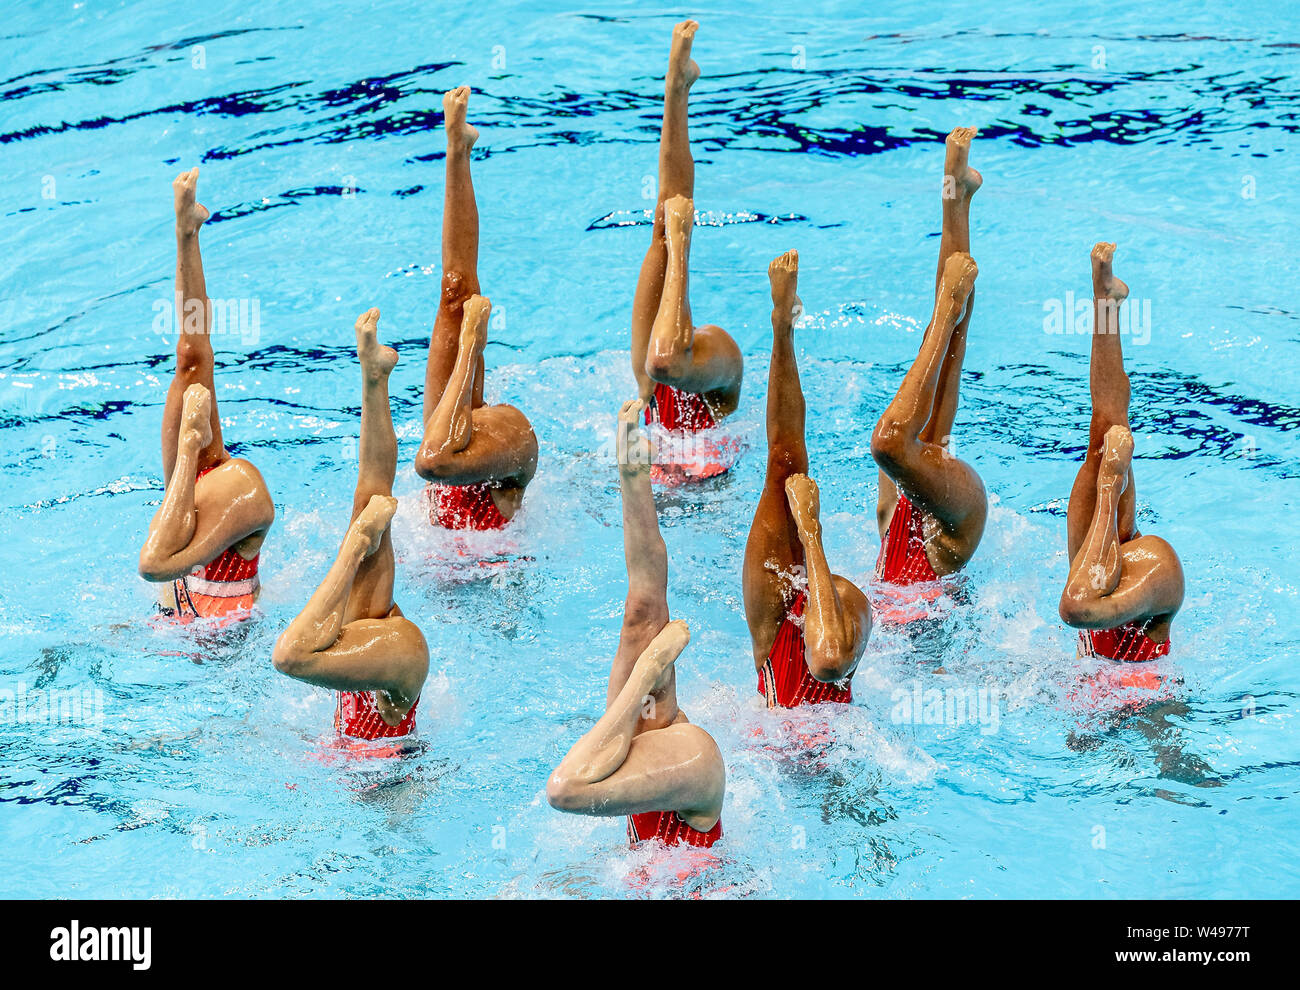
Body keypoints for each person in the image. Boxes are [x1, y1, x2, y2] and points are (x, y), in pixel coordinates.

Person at [546, 399, 724, 847]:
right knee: (638, 616)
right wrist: (633, 476)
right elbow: (645, 597)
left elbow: (564, 792)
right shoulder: (627, 746)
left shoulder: (696, 758)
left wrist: (645, 673)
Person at [273, 309, 429, 748]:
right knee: (367, 501)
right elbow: (373, 488)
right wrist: (372, 376)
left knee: (365, 519)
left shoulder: (402, 651)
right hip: (347, 774)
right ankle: (377, 374)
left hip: (389, 792)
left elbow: (289, 656)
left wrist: (357, 546)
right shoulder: (365, 624)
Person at [138, 167, 274, 620]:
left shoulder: (246, 493)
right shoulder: (195, 484)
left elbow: (154, 565)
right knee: (190, 360)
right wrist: (186, 236)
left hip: (216, 666)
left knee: (192, 365)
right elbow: (195, 351)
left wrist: (189, 447)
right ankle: (188, 231)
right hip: (168, 637)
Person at [742, 251, 872, 708]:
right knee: (783, 463)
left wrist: (811, 533)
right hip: (772, 660)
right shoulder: (786, 625)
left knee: (786, 471)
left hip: (828, 770)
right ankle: (782, 328)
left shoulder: (849, 604)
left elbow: (830, 660)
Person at [415, 87, 538, 529]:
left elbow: (433, 461)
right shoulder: (457, 428)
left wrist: (470, 347)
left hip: (499, 589)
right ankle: (458, 149)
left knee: (458, 304)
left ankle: (458, 149)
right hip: (437, 583)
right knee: (455, 291)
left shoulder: (516, 439)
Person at [870, 129, 985, 591]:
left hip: (920, 551)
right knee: (944, 358)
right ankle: (956, 196)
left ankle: (956, 193)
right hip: (936, 552)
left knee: (938, 348)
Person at [1059, 243, 1184, 664]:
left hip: (1145, 721)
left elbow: (1076, 607)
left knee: (1103, 453)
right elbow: (1109, 419)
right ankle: (1107, 300)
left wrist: (1110, 489)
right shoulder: (1096, 557)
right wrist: (1103, 303)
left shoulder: (1159, 565)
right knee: (1102, 435)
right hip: (1085, 717)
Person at [630, 21, 743, 483]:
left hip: (706, 509)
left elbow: (666, 361)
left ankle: (677, 88)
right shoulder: (646, 396)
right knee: (663, 226)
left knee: (669, 232)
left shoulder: (717, 383)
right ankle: (677, 89)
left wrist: (681, 247)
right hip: (664, 502)